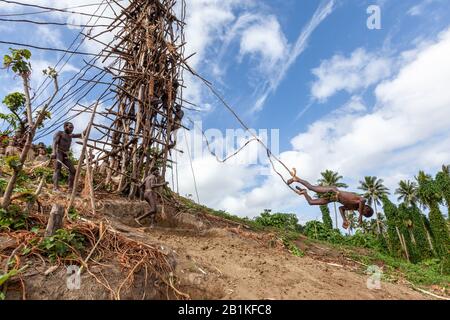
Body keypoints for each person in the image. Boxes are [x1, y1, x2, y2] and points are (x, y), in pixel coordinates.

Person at [287, 174, 374, 229]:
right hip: (333, 191)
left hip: (332, 198)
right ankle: (296, 179)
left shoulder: (353, 208)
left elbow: (341, 208)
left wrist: (344, 220)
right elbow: (363, 200)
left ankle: (304, 192)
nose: (361, 212)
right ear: (365, 207)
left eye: (363, 214)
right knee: (311, 188)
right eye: (363, 212)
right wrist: (360, 217)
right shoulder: (359, 201)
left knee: (311, 202)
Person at [52, 122, 84, 192]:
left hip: (65, 154)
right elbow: (54, 143)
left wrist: (89, 124)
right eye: (70, 127)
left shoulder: (70, 136)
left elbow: (82, 134)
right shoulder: (60, 133)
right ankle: (55, 187)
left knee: (73, 170)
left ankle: (70, 188)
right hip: (59, 152)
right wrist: (53, 152)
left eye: (72, 128)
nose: (72, 129)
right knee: (57, 169)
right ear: (65, 127)